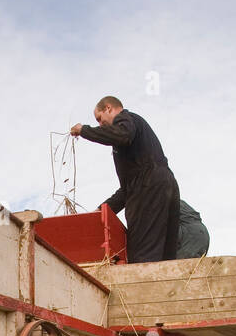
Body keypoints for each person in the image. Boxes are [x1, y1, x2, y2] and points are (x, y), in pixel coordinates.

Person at [70, 97, 180, 262]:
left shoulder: (125, 120)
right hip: (166, 185)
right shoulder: (138, 144)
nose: (100, 124)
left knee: (143, 254)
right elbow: (127, 190)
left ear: (108, 108)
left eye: (99, 118)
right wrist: (102, 211)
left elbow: (122, 135)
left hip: (149, 187)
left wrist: (84, 130)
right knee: (166, 257)